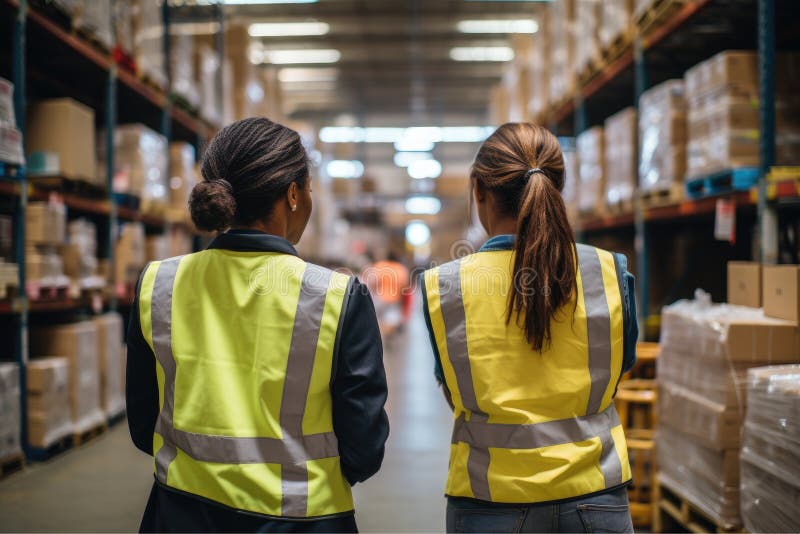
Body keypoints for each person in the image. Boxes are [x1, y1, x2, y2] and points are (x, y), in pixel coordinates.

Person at [126, 118, 389, 533]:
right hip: (303, 520)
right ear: (293, 195)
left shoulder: (158, 284)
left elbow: (144, 426)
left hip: (180, 514)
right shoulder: (336, 296)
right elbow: (364, 448)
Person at [421, 123, 638, 533]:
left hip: (490, 503)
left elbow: (453, 391)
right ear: (559, 188)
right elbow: (619, 368)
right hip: (595, 498)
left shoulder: (445, 286)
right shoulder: (608, 271)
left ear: (479, 191)